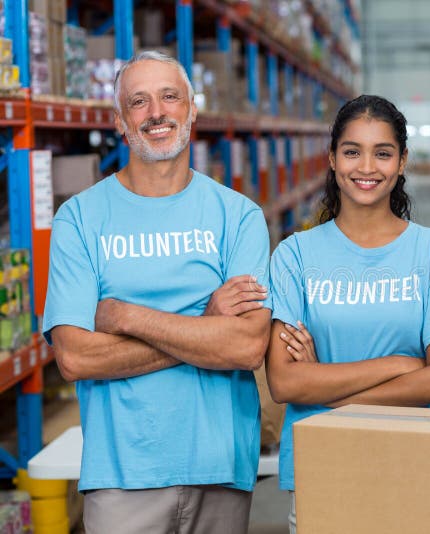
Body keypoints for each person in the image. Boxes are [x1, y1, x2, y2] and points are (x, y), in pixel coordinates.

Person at [42, 51, 272, 534]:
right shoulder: (80, 220)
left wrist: (126, 316)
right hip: (121, 474)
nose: (157, 113)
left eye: (170, 97)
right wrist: (206, 328)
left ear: (191, 109)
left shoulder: (239, 216)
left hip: (221, 464)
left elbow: (247, 346)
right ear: (120, 120)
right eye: (139, 102)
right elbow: (76, 358)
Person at [267, 94, 430, 533]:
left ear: (403, 161)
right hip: (323, 465)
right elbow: (284, 381)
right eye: (352, 151)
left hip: (415, 463)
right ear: (333, 159)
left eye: (383, 153)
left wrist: (325, 389)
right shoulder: (295, 255)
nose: (367, 167)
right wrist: (397, 366)